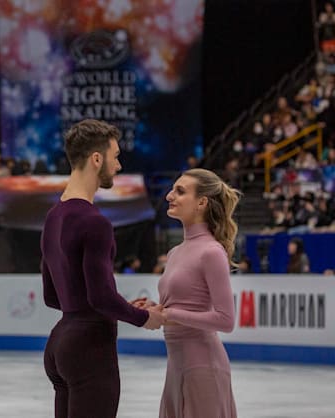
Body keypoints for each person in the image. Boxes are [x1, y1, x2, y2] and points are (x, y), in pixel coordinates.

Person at [40, 119, 163, 418]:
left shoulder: (53, 217)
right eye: (115, 156)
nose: (118, 166)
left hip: (59, 344)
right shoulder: (95, 222)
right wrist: (144, 317)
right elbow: (100, 297)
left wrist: (110, 308)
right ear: (97, 159)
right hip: (89, 350)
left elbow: (52, 297)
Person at [148, 168, 240, 417]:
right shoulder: (175, 252)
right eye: (172, 189)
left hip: (203, 368)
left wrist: (171, 314)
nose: (169, 196)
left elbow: (225, 320)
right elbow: (177, 306)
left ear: (202, 202)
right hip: (175, 367)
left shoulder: (211, 252)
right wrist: (153, 309)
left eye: (180, 191)